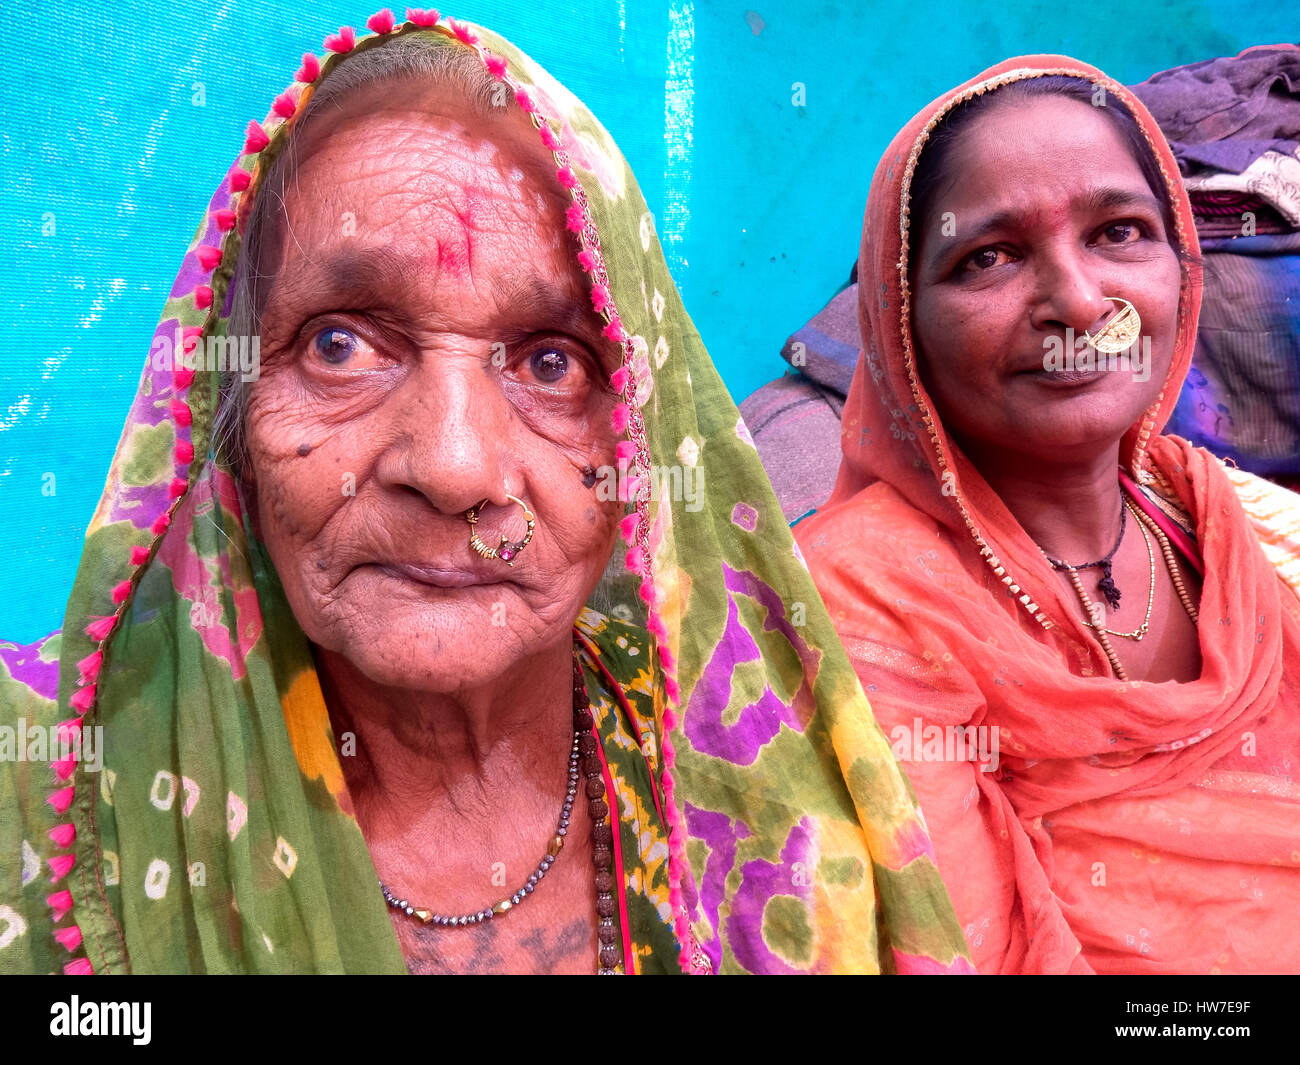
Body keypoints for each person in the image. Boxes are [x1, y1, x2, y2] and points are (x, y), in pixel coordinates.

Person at [0, 11, 969, 974]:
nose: (454, 466)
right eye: (340, 345)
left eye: (552, 364)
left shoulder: (771, 786)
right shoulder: (34, 786)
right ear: (233, 409)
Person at [797, 54, 1300, 974]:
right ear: (901, 319)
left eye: (1119, 233)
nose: (1077, 301)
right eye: (988, 256)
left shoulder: (1217, 517)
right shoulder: (863, 604)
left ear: (1180, 269)